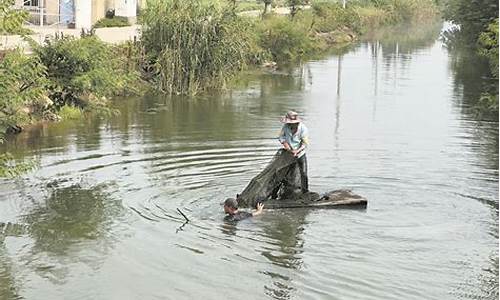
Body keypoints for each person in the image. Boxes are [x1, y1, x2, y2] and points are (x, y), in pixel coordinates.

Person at [278, 111, 309, 193]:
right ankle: (276, 193)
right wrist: (288, 148)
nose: (292, 124)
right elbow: (281, 137)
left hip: (300, 153)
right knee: (281, 173)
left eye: (294, 123)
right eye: (290, 123)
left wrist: (297, 151)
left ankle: (305, 192)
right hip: (288, 153)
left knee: (304, 174)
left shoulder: (303, 129)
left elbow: (305, 143)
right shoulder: (285, 127)